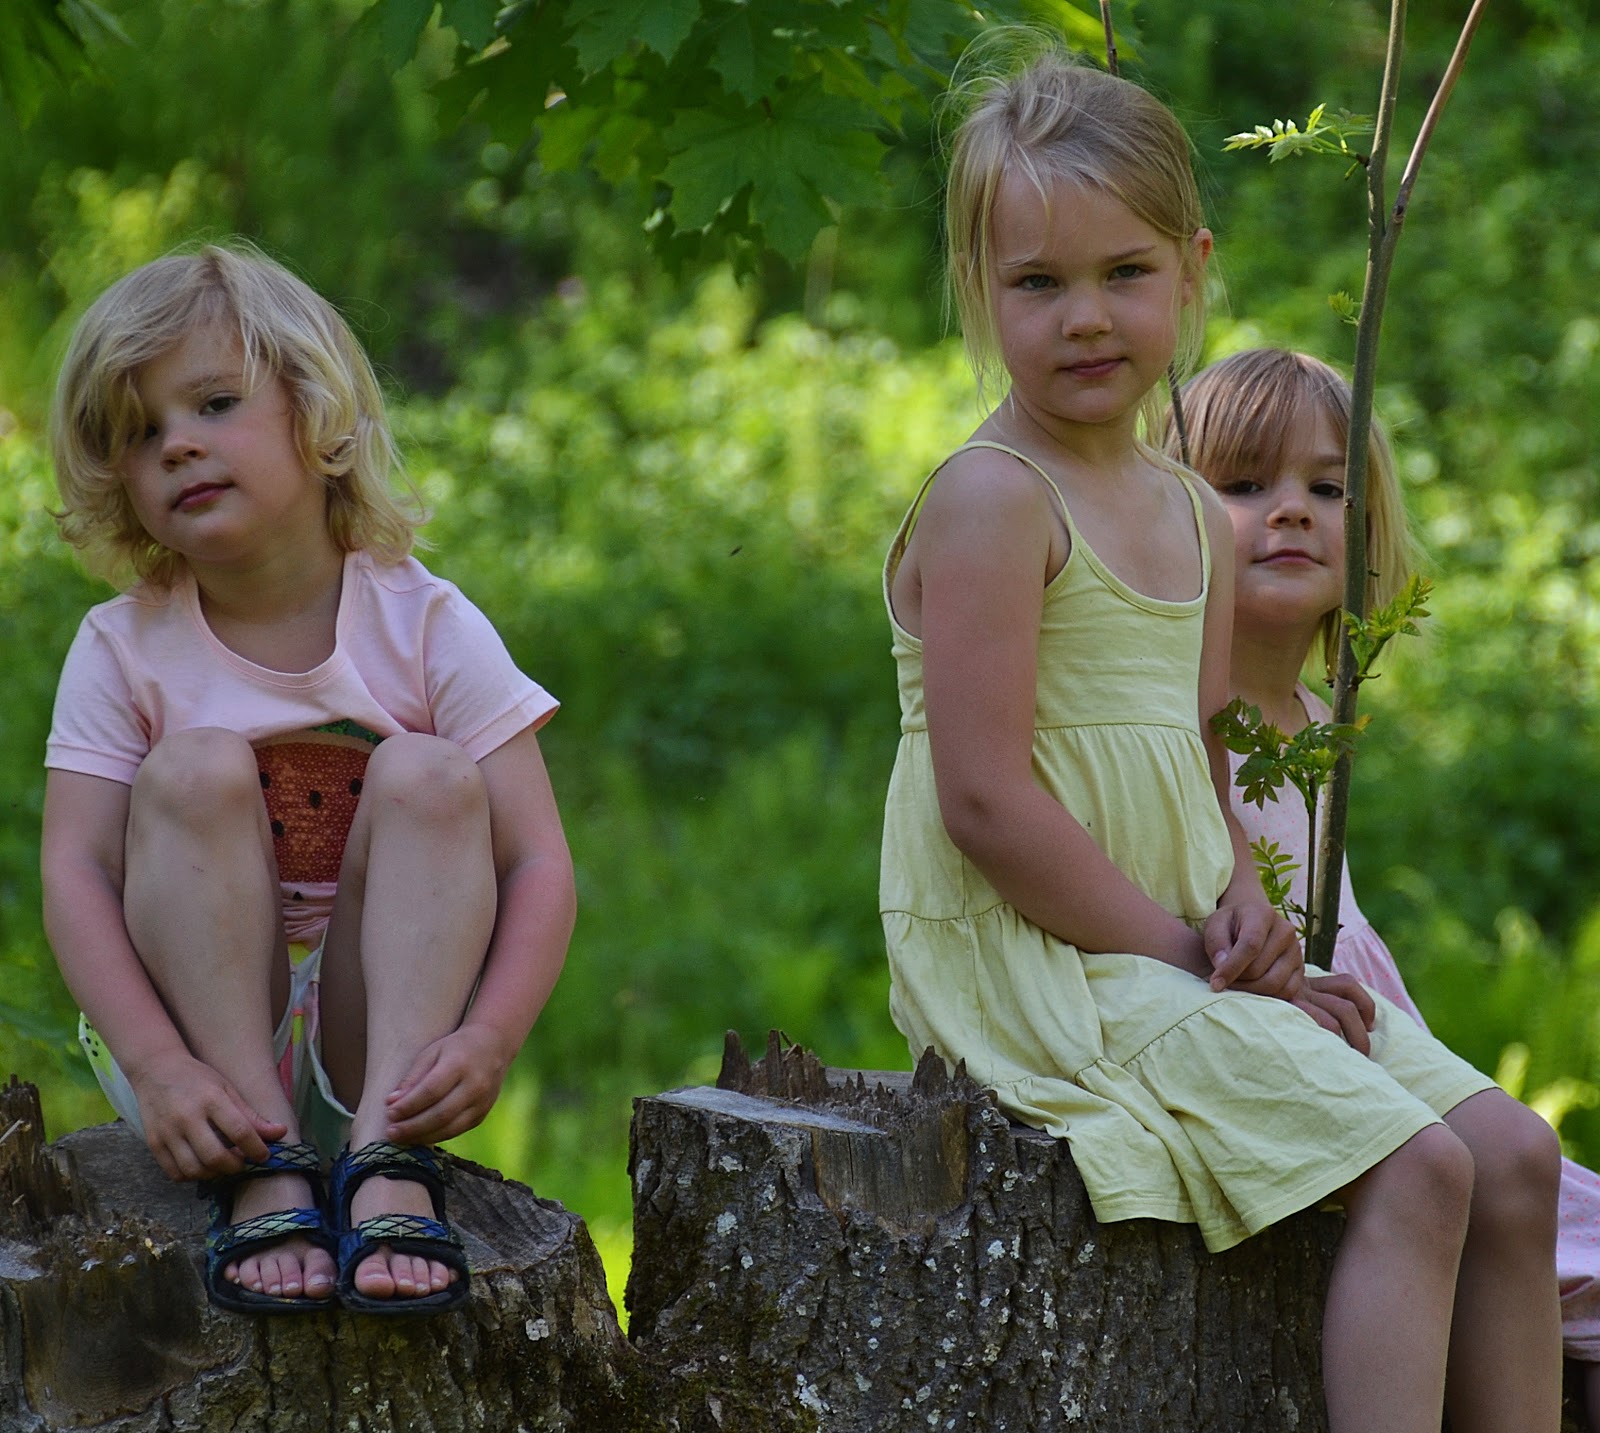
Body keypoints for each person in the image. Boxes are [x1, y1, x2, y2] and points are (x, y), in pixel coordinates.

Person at [878, 36, 1563, 1432]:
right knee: (1419, 1171)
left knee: (1514, 1157)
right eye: (1037, 283)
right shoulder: (994, 501)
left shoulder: (1191, 510)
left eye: (1124, 275)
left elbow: (1200, 748)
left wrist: (1245, 911)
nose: (1086, 317)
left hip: (1171, 936)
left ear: (1193, 271)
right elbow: (986, 804)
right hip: (1040, 954)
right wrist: (1192, 953)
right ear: (977, 293)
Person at [40, 242, 576, 1317]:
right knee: (190, 767)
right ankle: (261, 1164)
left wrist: (490, 1035)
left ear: (318, 411)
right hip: (199, 1044)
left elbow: (537, 861)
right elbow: (75, 869)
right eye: (141, 434)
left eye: (215, 402)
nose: (179, 443)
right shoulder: (123, 646)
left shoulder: (422, 621)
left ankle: (386, 1155)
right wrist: (156, 1065)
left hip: (386, 1030)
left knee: (428, 771)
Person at [1177, 344, 1600, 1428]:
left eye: (1326, 488)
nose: (1291, 513)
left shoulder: (1319, 726)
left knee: (1529, 1164)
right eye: (1242, 485)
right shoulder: (1171, 712)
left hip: (1365, 1035)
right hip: (1243, 1022)